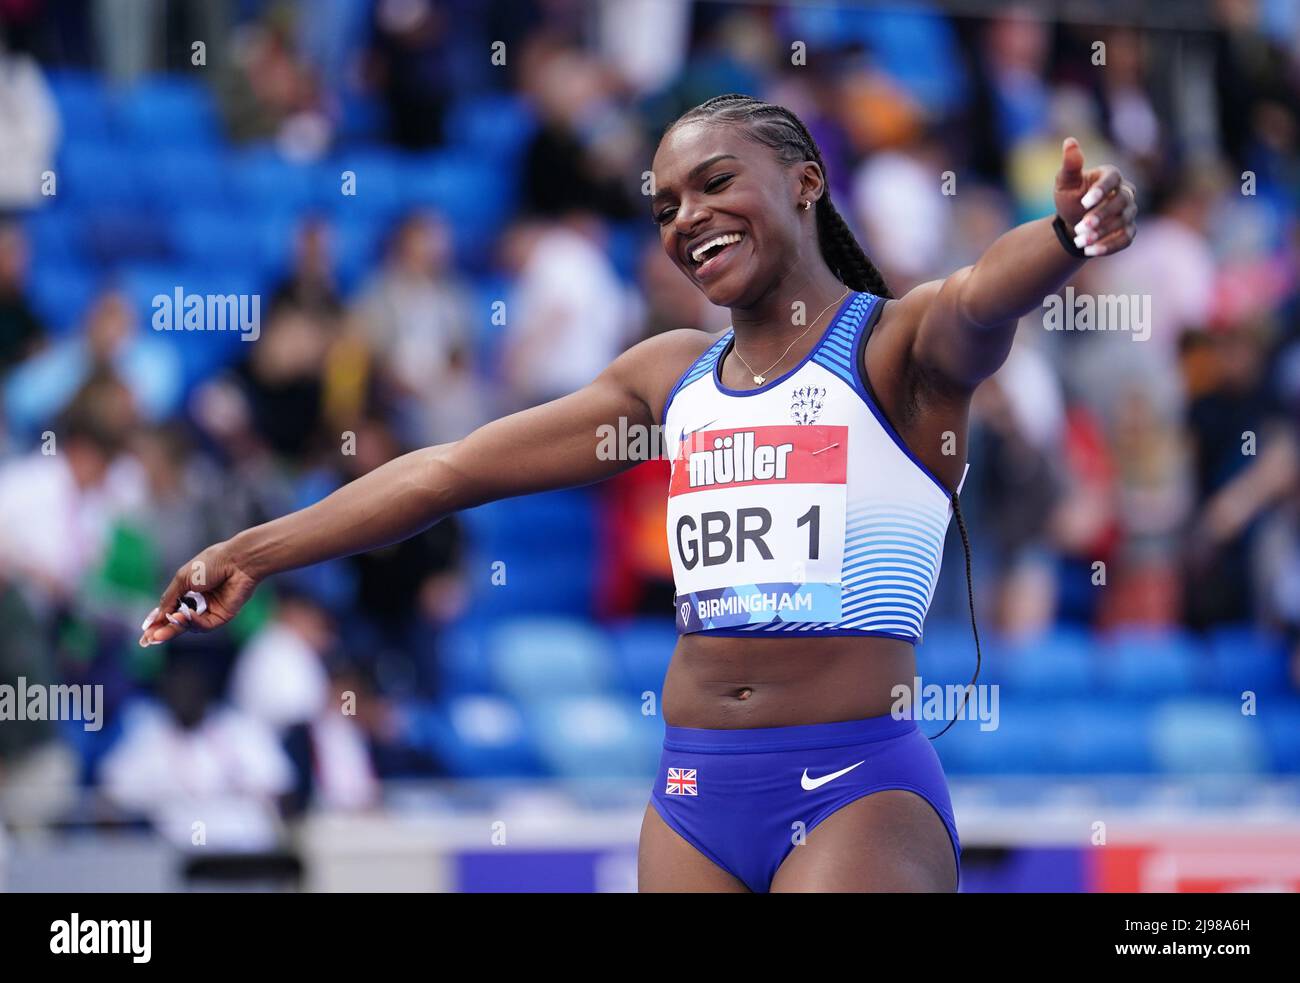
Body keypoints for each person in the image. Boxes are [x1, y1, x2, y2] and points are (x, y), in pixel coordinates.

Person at [139, 94, 1137, 893]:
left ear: (804, 182)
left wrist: (1063, 233)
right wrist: (250, 551)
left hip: (854, 787)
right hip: (693, 796)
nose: (686, 218)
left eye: (712, 184)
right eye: (663, 207)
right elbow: (447, 471)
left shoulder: (892, 352)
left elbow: (977, 295)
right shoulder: (670, 379)